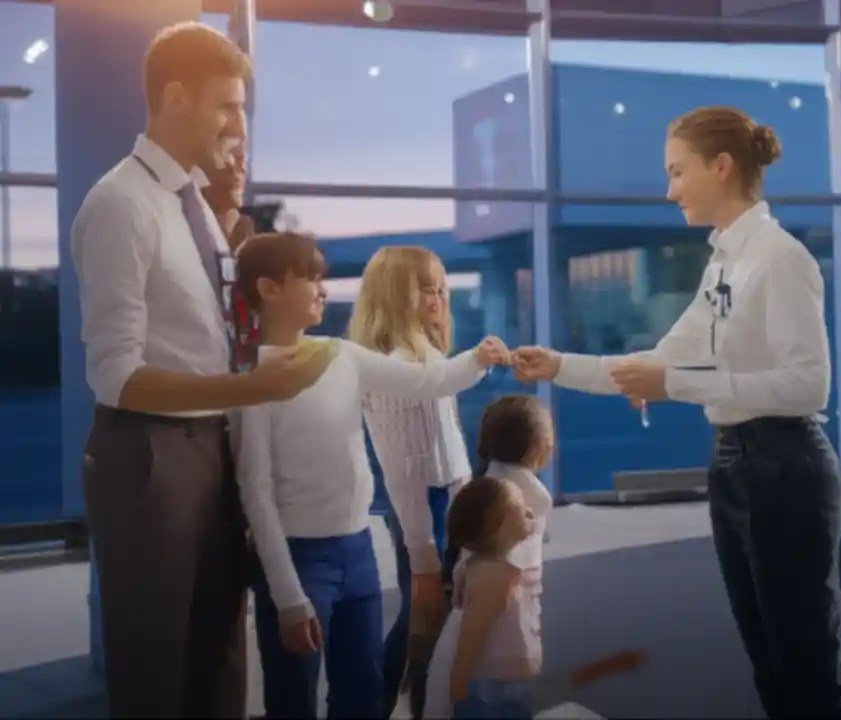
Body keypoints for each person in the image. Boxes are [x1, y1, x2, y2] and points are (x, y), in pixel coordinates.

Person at [512, 105, 841, 718]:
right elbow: (660, 361)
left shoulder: (780, 259)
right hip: (736, 464)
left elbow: (809, 386)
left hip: (786, 469)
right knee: (770, 664)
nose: (669, 190)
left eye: (677, 173)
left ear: (721, 167)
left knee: (807, 670)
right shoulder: (724, 261)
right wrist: (558, 365)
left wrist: (678, 383)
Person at [70, 22, 333, 718]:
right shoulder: (120, 205)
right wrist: (248, 389)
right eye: (228, 107)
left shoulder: (196, 207)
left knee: (222, 655)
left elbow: (212, 328)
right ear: (176, 98)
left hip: (209, 451)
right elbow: (115, 376)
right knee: (156, 671)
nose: (238, 127)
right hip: (149, 455)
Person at [231, 232, 511, 719]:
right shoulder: (251, 377)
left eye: (322, 277)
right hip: (300, 559)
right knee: (293, 699)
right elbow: (255, 492)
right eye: (310, 278)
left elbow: (428, 381)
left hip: (357, 550)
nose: (323, 288)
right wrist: (289, 598)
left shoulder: (340, 355)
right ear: (269, 289)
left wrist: (480, 359)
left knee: (360, 693)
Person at [347, 246, 473, 718]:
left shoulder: (427, 353)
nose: (439, 295)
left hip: (447, 502)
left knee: (435, 620)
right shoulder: (395, 369)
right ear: (394, 295)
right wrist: (422, 551)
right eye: (426, 287)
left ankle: (415, 705)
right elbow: (406, 469)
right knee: (422, 619)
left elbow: (450, 444)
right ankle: (380, 705)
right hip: (423, 509)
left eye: (442, 286)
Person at [423, 395, 555, 719]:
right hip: (493, 681)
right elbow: (473, 631)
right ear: (539, 446)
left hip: (506, 674)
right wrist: (459, 684)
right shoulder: (497, 568)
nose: (530, 517)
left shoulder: (488, 492)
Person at [199, 137, 254, 252]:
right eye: (233, 157)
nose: (242, 169)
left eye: (244, 161)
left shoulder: (247, 235)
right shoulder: (176, 226)